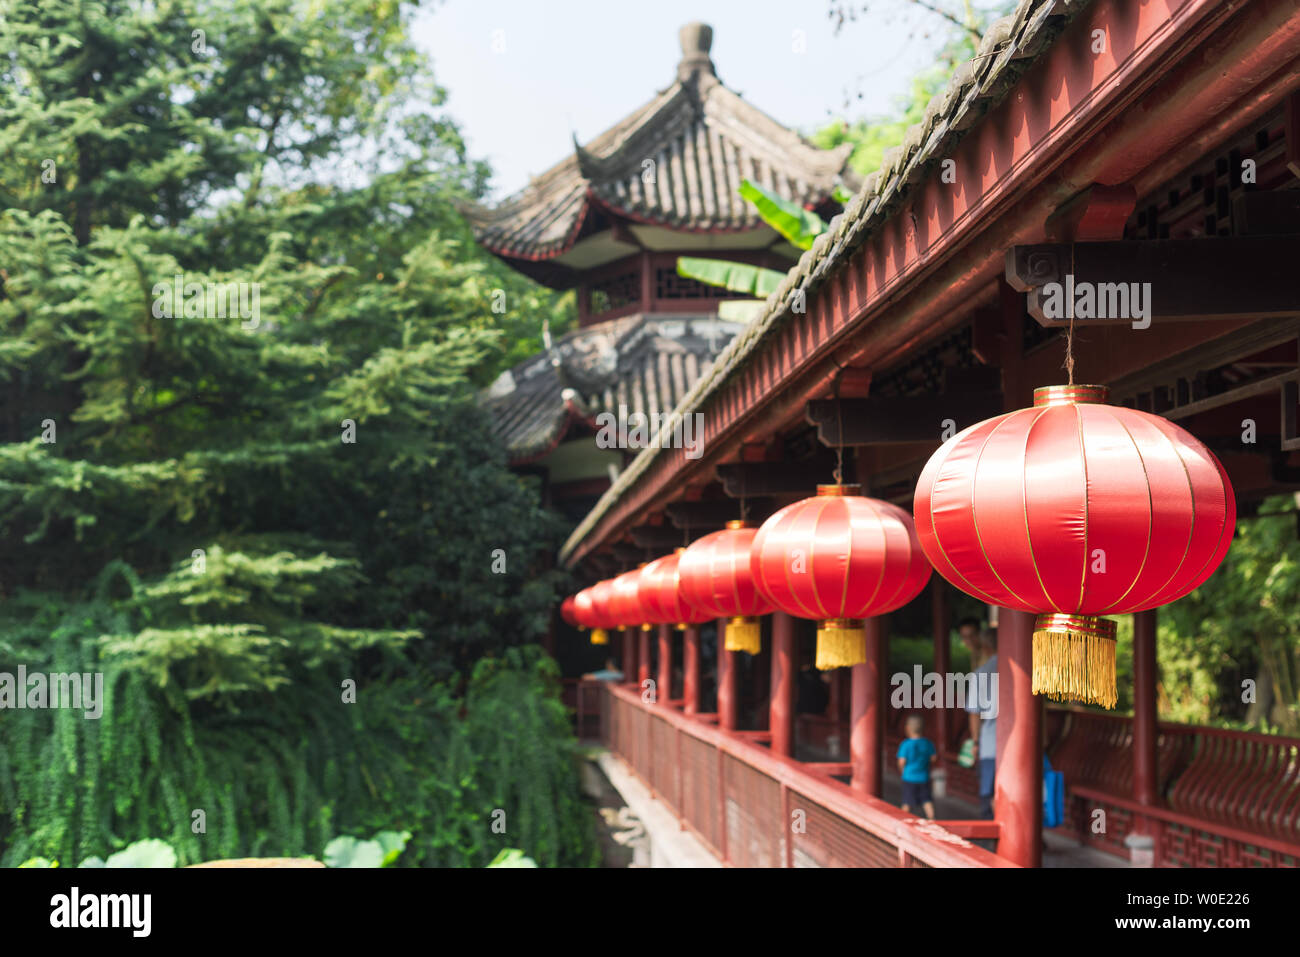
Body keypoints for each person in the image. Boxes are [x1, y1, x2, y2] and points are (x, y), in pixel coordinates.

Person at [965, 626, 998, 819]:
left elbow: (974, 713)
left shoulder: (981, 673)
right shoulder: (1025, 670)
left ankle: (992, 839)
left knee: (989, 791)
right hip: (1022, 746)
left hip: (990, 744)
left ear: (985, 647)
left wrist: (975, 742)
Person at [896, 714, 937, 820]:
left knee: (907, 802)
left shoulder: (905, 744)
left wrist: (902, 771)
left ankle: (903, 820)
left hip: (909, 777)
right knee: (927, 801)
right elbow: (933, 758)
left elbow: (901, 761)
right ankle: (932, 820)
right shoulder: (928, 743)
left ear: (907, 728)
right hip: (924, 777)